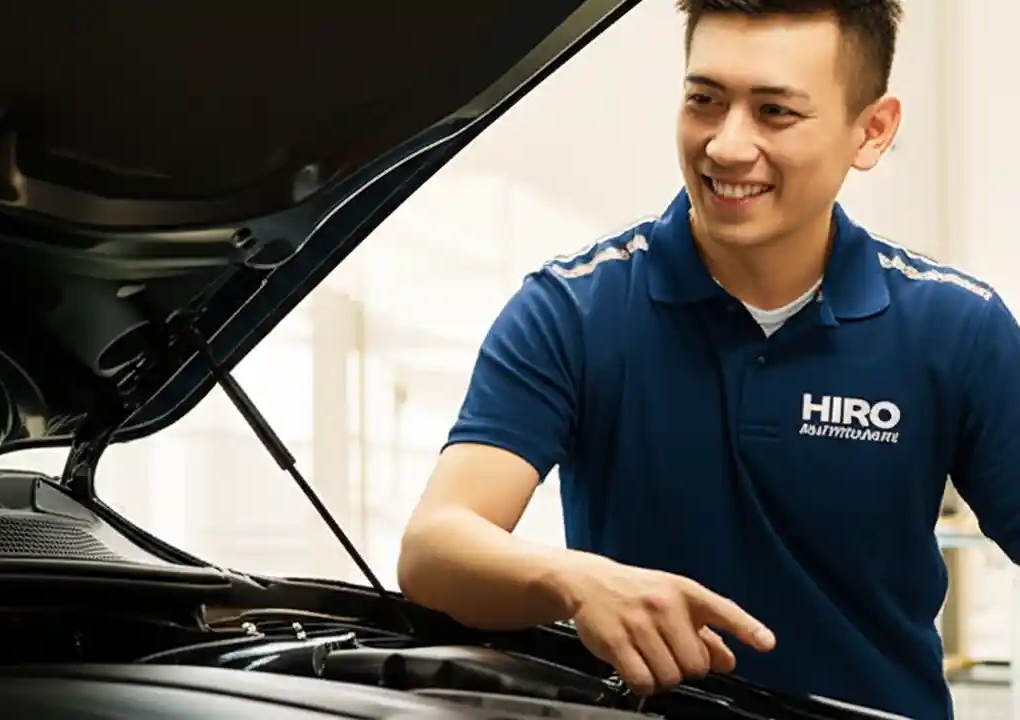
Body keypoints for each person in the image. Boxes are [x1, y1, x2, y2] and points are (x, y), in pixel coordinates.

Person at [395, 1, 1020, 718]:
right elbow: (435, 549)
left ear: (871, 131)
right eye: (705, 100)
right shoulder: (573, 310)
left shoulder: (957, 327)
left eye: (775, 112)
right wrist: (574, 580)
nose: (726, 145)